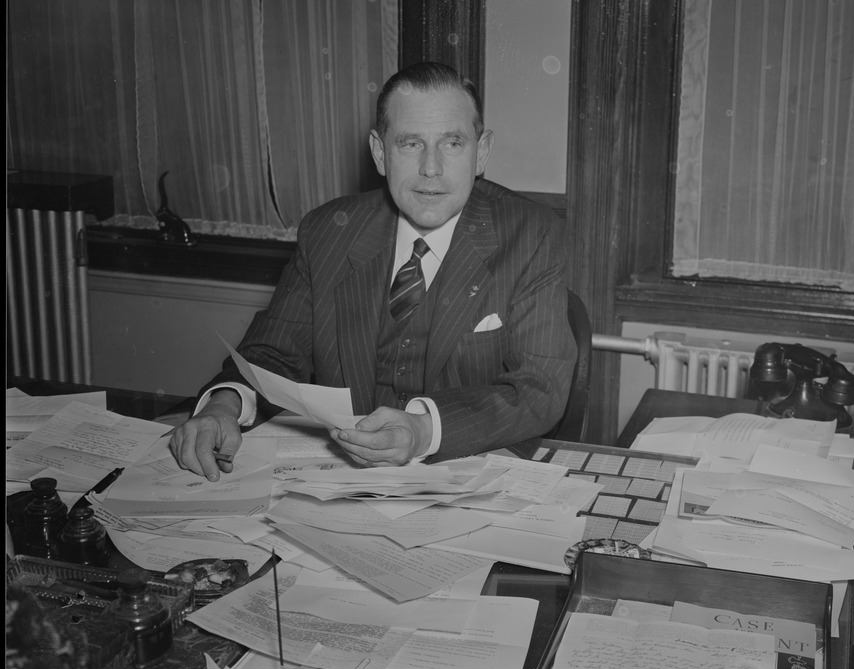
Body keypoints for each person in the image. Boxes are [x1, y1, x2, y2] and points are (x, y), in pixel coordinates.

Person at [168, 61, 576, 479]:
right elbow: (272, 352)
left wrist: (423, 429)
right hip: (342, 477)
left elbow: (538, 388)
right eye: (410, 144)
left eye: (452, 143)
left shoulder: (530, 234)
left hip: (463, 475)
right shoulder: (328, 232)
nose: (431, 169)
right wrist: (224, 405)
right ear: (380, 153)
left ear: (481, 152)